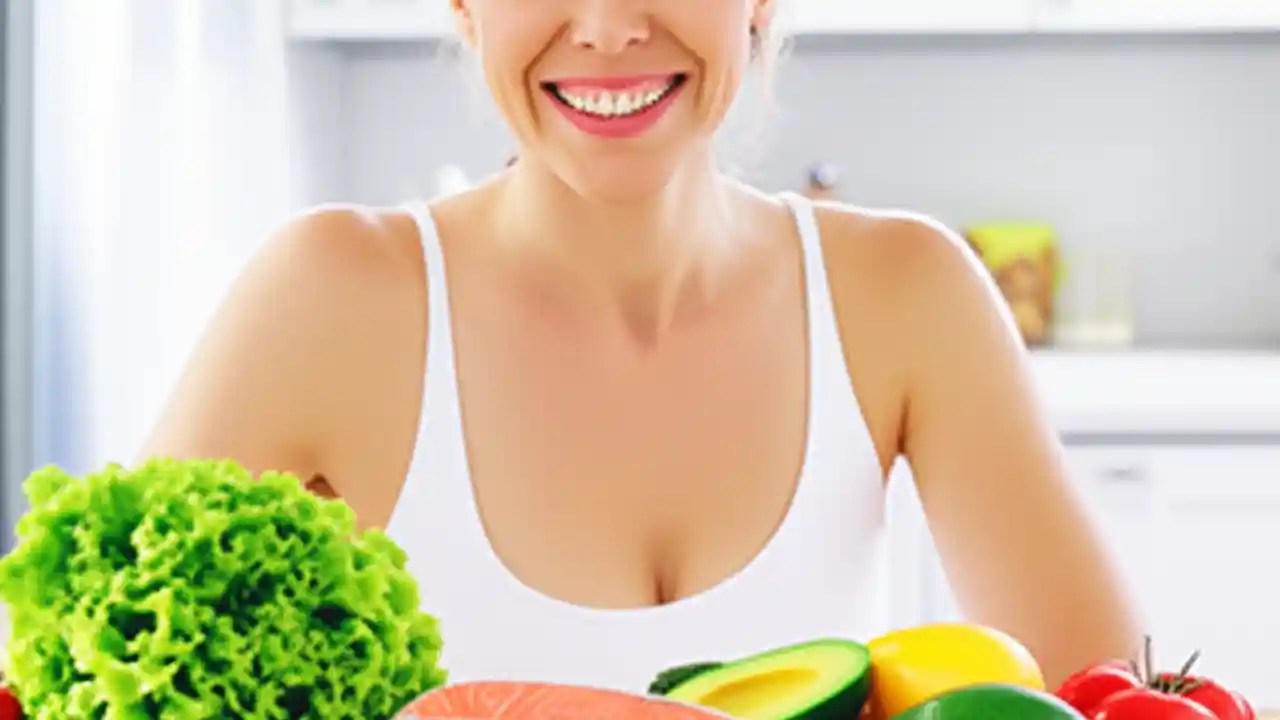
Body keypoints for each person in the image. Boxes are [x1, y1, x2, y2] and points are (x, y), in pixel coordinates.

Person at [137, 0, 1142, 693]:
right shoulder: (329, 298)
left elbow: (1109, 698)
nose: (609, 24)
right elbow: (97, 669)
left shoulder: (903, 294)